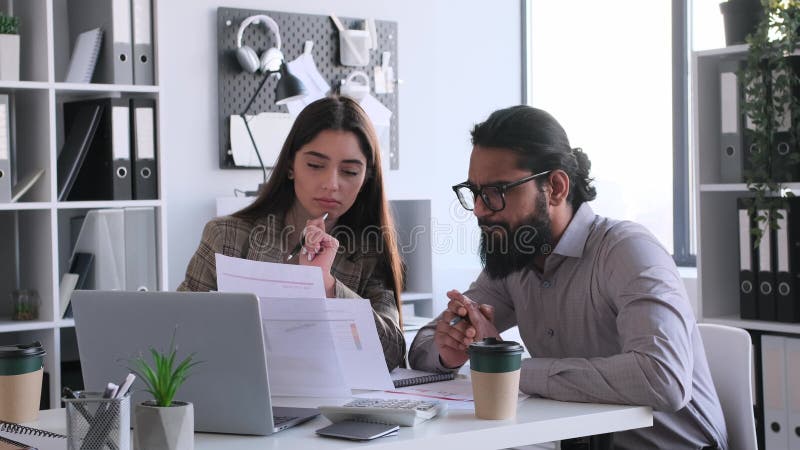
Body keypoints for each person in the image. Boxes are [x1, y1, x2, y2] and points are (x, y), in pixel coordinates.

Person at [408, 106, 728, 449]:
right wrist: (451, 349)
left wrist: (510, 368)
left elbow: (662, 378)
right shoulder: (516, 259)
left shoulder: (627, 251)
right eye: (475, 191)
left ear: (556, 187)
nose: (480, 209)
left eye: (497, 191)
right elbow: (424, 346)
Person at [178, 96, 405, 370]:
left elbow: (391, 354)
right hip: (239, 388)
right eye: (315, 166)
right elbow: (177, 333)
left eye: (349, 171)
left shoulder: (370, 251)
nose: (331, 184)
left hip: (331, 396)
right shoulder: (226, 237)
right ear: (290, 166)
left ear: (366, 177)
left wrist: (327, 286)